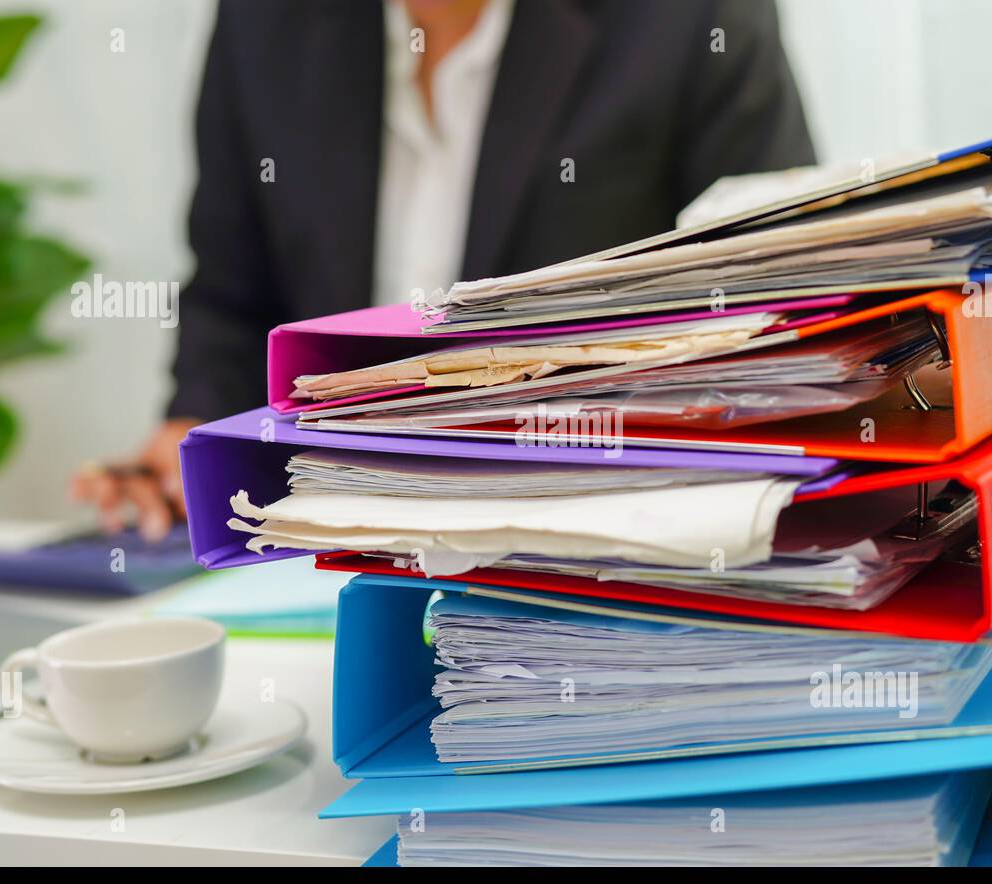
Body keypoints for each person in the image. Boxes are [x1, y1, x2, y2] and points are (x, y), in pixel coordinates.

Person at [72, 0, 815, 539]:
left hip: (594, 535)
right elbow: (232, 292)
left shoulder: (694, 20)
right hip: (330, 533)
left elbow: (779, 305)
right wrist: (187, 438)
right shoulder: (264, 23)